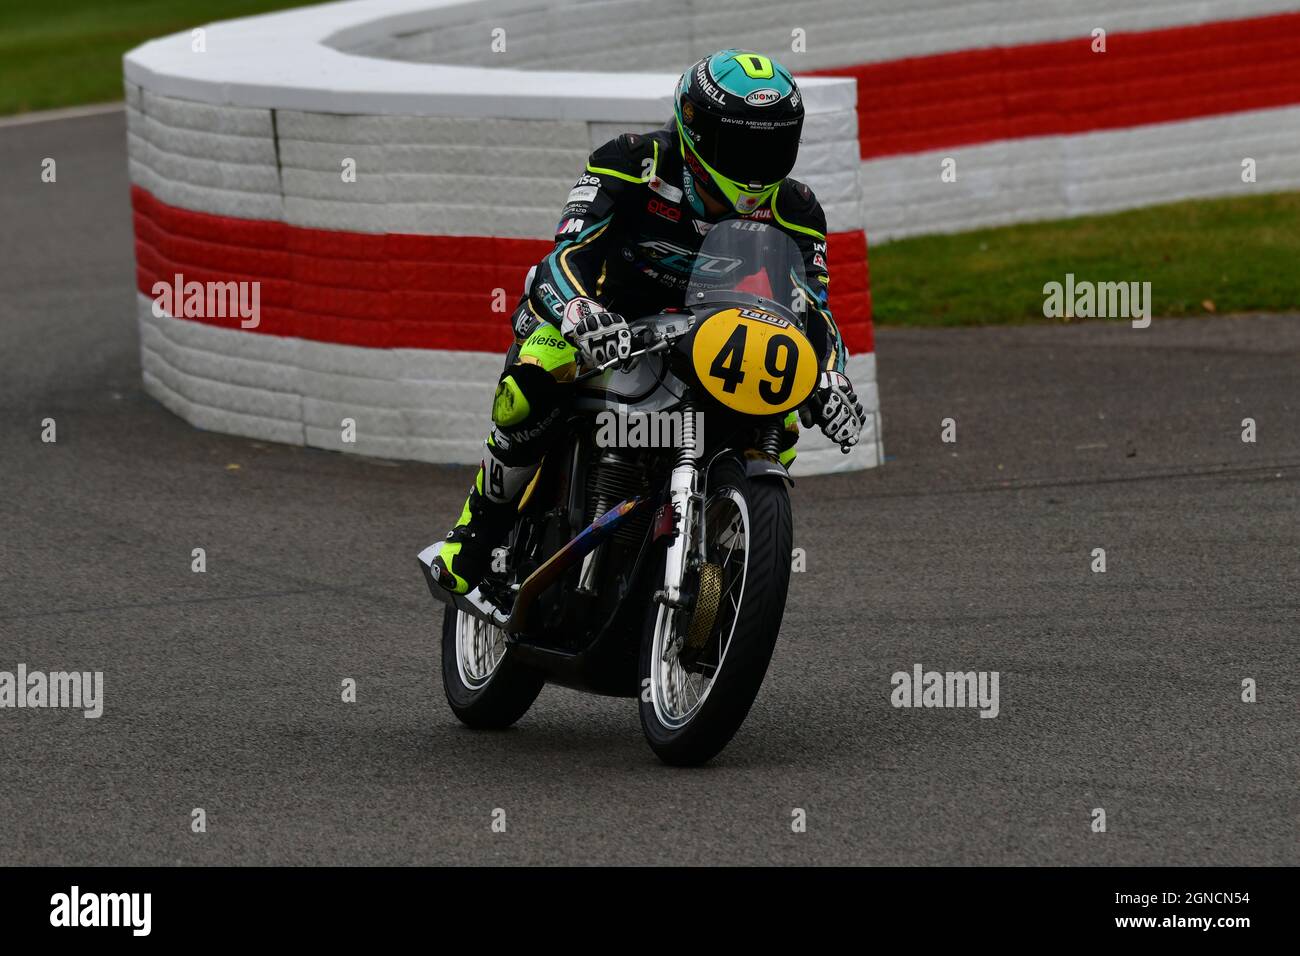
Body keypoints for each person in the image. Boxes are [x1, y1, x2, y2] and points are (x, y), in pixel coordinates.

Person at [430, 49, 865, 595]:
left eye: (773, 144)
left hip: (712, 342)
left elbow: (814, 308)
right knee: (537, 373)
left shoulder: (796, 209)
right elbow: (565, 254)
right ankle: (477, 530)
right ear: (696, 131)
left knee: (783, 419)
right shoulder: (631, 161)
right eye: (742, 143)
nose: (757, 161)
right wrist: (578, 309)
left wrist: (829, 376)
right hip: (606, 326)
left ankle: (724, 555)